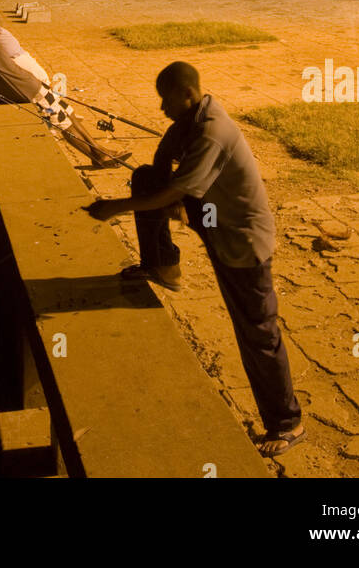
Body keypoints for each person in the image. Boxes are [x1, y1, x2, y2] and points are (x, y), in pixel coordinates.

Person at [85, 60, 304, 459]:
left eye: (165, 101)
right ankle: (163, 264)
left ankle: (287, 422)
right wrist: (176, 193)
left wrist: (115, 207)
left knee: (258, 333)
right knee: (148, 178)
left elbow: (170, 192)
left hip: (242, 241)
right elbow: (161, 160)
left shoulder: (212, 132)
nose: (161, 109)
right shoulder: (189, 120)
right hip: (212, 218)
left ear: (186, 95)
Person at [0, 4, 128, 168]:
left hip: (32, 86)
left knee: (67, 111)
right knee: (63, 123)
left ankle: (99, 151)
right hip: (30, 91)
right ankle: (99, 154)